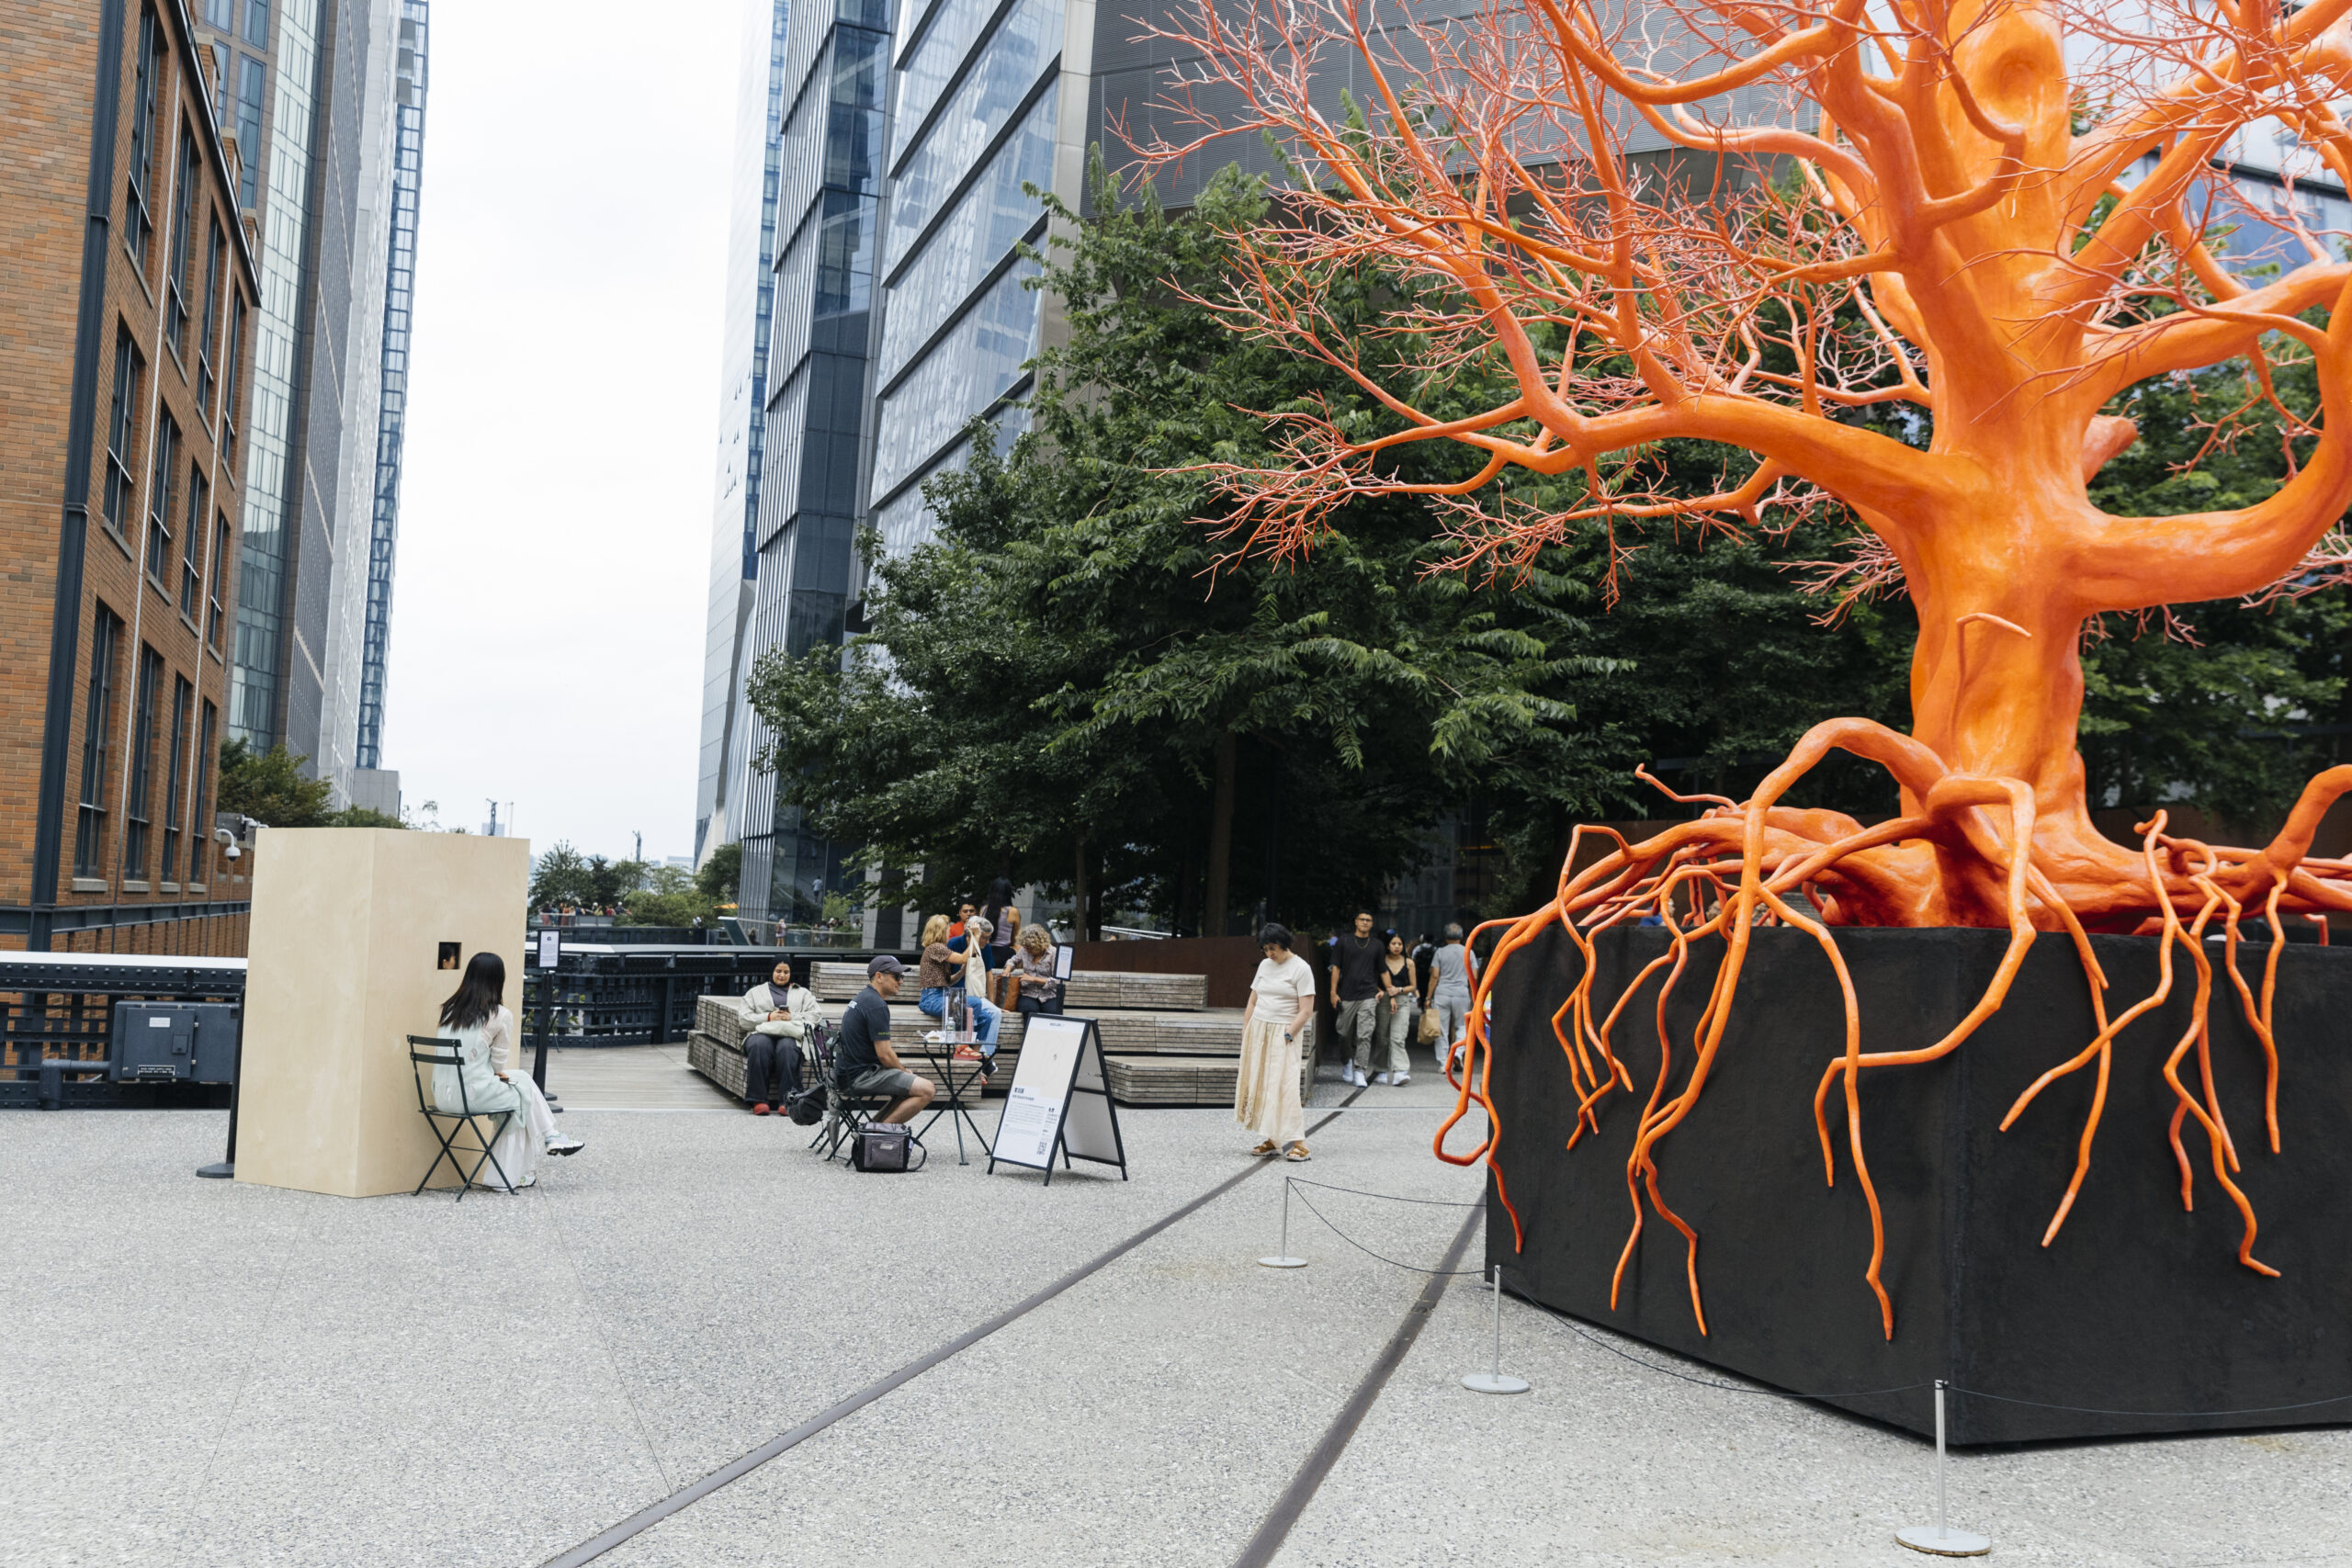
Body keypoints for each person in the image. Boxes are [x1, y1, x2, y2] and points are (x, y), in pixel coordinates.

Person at [432, 953, 582, 1189]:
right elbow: (497, 1068)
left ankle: (525, 1167)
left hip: (442, 1096)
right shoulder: (500, 1015)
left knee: (519, 1089)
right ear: (498, 980)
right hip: (470, 1095)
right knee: (521, 1094)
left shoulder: (449, 1010)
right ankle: (544, 1140)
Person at [1237, 922, 1316, 1160]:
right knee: (1263, 1084)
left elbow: (1306, 1010)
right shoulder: (1264, 965)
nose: (1270, 953)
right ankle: (1274, 1139)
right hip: (1259, 1028)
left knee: (1285, 1085)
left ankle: (1300, 1142)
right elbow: (1253, 1000)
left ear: (1284, 943)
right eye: (1266, 949)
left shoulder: (1301, 968)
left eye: (1273, 947)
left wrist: (1288, 1033)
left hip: (1283, 1032)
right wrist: (1246, 1029)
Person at [834, 955, 933, 1124]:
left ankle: (869, 1130)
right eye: (897, 976)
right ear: (879, 976)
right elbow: (885, 1055)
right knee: (927, 1090)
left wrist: (901, 1072)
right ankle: (876, 1133)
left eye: (902, 977)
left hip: (846, 1075)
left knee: (907, 1088)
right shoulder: (876, 1005)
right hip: (859, 1077)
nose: (901, 981)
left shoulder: (863, 998)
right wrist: (903, 1070)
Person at [736, 958, 820, 1115]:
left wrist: (792, 1017)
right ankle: (758, 1100)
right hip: (761, 1033)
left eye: (786, 972)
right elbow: (744, 1018)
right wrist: (769, 1017)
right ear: (772, 972)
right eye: (778, 971)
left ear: (791, 973)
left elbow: (815, 1015)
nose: (782, 975)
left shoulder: (803, 993)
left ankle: (789, 1099)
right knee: (759, 1045)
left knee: (788, 1048)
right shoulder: (755, 992)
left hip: (791, 1034)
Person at [916, 913, 1000, 1059]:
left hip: (942, 994)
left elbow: (949, 981)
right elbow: (962, 957)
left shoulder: (939, 949)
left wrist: (961, 971)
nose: (949, 932)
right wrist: (975, 936)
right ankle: (961, 1047)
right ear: (940, 931)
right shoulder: (935, 948)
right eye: (947, 929)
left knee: (986, 1017)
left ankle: (977, 1054)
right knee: (974, 1002)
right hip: (931, 999)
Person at [1329, 909, 1384, 1088]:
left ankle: (1360, 1070)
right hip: (1347, 995)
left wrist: (1388, 991)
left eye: (1369, 920)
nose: (1365, 922)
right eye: (1362, 919)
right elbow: (1336, 968)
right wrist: (1333, 992)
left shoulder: (1377, 945)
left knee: (1364, 1035)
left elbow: (1382, 970)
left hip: (1368, 994)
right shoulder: (1344, 941)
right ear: (1356, 921)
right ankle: (1347, 1062)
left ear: (1372, 923)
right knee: (1343, 1033)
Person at [1429, 922, 1478, 1073]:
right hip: (1461, 994)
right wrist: (1474, 998)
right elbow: (1473, 978)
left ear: (1445, 937)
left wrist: (1427, 997)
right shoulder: (1469, 953)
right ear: (1462, 937)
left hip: (1442, 993)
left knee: (1442, 1029)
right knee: (1463, 1026)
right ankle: (1457, 1053)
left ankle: (1444, 1064)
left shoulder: (1440, 952)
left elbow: (1435, 975)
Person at [1373, 932, 1417, 1086]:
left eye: (1399, 944)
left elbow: (1413, 986)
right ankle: (1381, 1069)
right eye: (1393, 944)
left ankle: (1400, 1071)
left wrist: (1399, 990)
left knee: (1398, 1037)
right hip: (1383, 1000)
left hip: (1402, 1000)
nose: (1397, 947)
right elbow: (1374, 980)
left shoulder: (1409, 962)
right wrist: (1382, 991)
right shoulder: (1381, 961)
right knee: (1382, 1037)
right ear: (1388, 945)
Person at [1004, 924, 1063, 1015]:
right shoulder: (1025, 950)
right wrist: (1008, 969)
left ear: (1040, 944)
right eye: (1026, 947)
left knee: (1052, 1012)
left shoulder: (1053, 953)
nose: (1027, 950)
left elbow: (1057, 981)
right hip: (1028, 993)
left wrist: (1033, 979)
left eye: (1030, 948)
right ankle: (1028, 1030)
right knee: (1029, 1011)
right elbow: (1013, 961)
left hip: (1049, 995)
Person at [978, 877, 1020, 972]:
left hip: (985, 952)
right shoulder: (1012, 911)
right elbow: (1014, 938)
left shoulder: (984, 909)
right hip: (1004, 955)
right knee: (1019, 948)